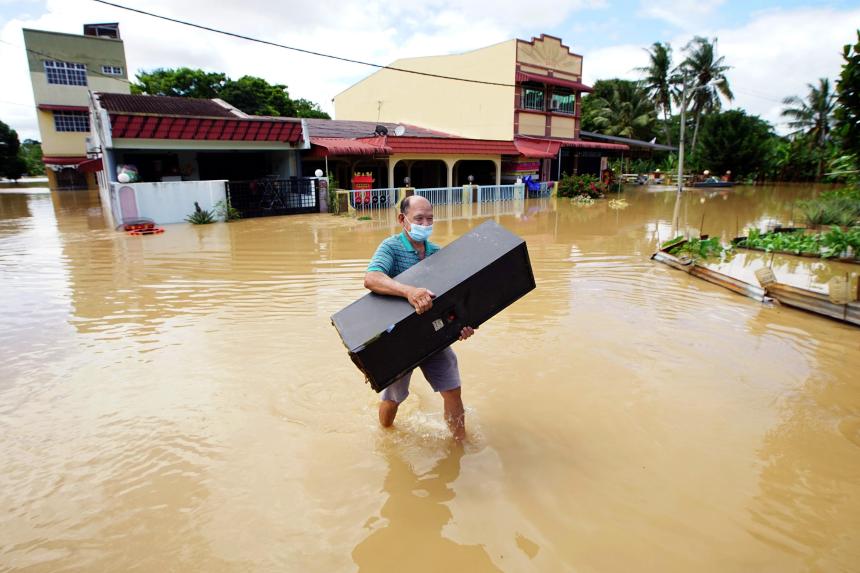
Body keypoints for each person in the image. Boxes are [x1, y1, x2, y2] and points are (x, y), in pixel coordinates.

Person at [363, 195, 474, 440]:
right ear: (402, 219)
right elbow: (371, 278)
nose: (425, 224)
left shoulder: (438, 253)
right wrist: (409, 291)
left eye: (430, 219)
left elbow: (451, 298)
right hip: (399, 340)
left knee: (453, 390)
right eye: (419, 219)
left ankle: (460, 446)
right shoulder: (390, 247)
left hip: (433, 335)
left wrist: (461, 326)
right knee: (393, 398)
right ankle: (385, 438)